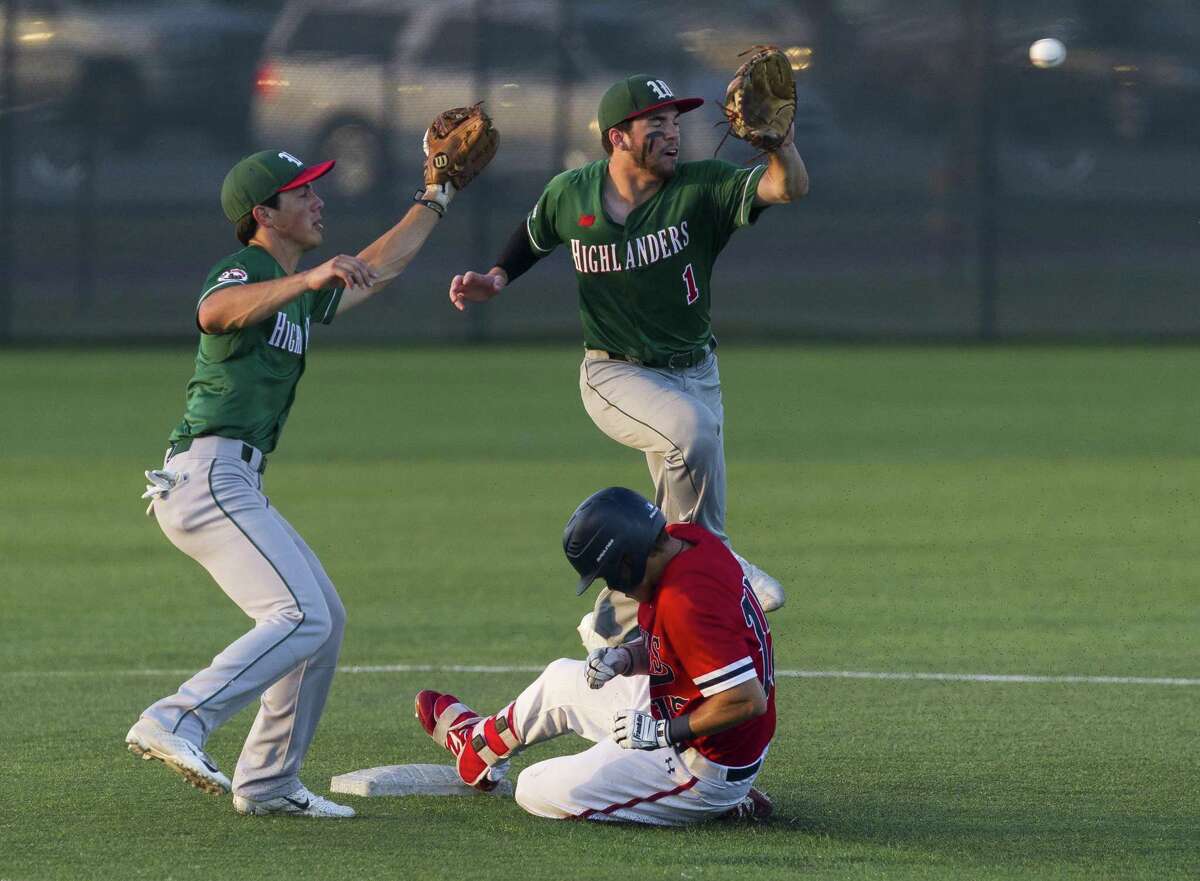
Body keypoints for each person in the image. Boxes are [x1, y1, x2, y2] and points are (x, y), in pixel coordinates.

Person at [126, 131, 492, 818]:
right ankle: (177, 718)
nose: (319, 199)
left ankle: (265, 779)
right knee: (297, 613)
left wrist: (435, 197)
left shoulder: (293, 291)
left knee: (324, 622)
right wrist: (306, 277)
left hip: (236, 480)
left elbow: (379, 266)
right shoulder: (245, 269)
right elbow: (212, 312)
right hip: (207, 476)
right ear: (264, 214)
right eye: (304, 192)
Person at [444, 72, 809, 649]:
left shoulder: (701, 188)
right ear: (617, 137)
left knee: (675, 508)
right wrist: (495, 277)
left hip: (697, 371)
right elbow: (534, 235)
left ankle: (612, 625)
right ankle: (723, 570)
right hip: (616, 374)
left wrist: (780, 146)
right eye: (656, 123)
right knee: (693, 437)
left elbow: (786, 189)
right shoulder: (573, 193)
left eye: (675, 122)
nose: (672, 133)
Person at [414, 486, 776, 825]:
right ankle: (477, 746)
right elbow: (681, 649)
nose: (612, 587)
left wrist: (663, 731)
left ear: (627, 561)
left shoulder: (685, 601)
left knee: (534, 786)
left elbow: (745, 701)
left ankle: (716, 804)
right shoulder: (688, 540)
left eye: (608, 576)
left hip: (701, 763)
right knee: (560, 677)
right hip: (694, 720)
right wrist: (625, 657)